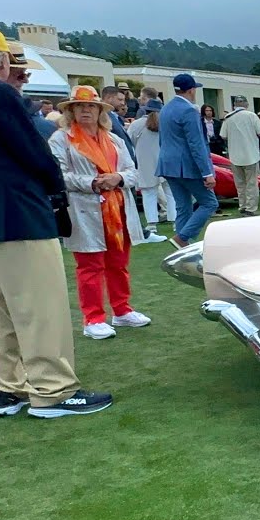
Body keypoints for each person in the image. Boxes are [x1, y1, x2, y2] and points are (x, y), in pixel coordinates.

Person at [0, 24, 113, 418]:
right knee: (38, 304)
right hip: (16, 211)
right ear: (0, 60)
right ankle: (52, 389)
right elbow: (34, 155)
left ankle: (7, 387)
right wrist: (55, 192)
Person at [48, 85, 152, 340]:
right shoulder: (61, 139)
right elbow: (58, 175)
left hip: (117, 208)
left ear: (99, 110)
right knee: (90, 265)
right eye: (79, 106)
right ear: (71, 111)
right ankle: (93, 318)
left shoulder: (114, 139)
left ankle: (122, 310)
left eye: (91, 106)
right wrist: (91, 182)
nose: (85, 110)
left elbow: (132, 171)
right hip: (84, 208)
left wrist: (117, 177)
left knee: (118, 263)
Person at [156, 73, 218, 248]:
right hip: (186, 165)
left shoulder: (166, 108)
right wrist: (207, 173)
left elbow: (163, 139)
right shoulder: (189, 110)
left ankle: (184, 248)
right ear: (191, 90)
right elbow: (196, 143)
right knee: (209, 203)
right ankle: (183, 237)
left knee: (183, 206)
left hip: (167, 164)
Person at [126, 98, 174, 241]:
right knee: (171, 194)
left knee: (149, 194)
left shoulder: (136, 125)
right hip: (166, 161)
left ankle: (152, 224)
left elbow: (130, 142)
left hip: (145, 162)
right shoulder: (167, 123)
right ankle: (176, 222)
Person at [220, 95, 260, 216]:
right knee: (251, 183)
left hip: (235, 154)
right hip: (250, 153)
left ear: (234, 105)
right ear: (246, 104)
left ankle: (242, 205)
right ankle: (251, 208)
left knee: (240, 183)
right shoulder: (251, 115)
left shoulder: (228, 117)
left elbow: (223, 135)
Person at [101, 85, 136, 159]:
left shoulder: (113, 115)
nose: (123, 103)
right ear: (109, 98)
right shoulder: (103, 117)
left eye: (123, 100)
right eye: (120, 100)